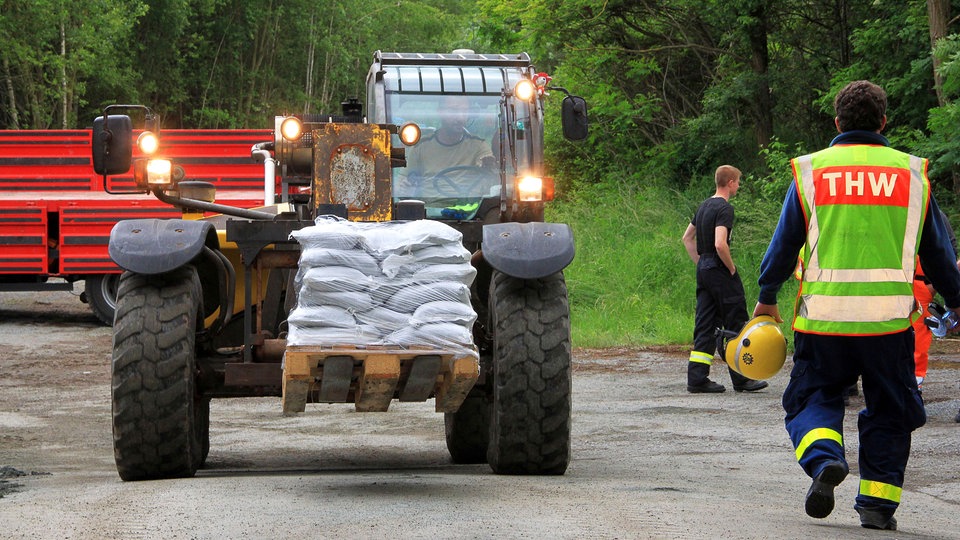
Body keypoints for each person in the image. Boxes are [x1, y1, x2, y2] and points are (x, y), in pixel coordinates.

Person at [753, 80, 960, 531]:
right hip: (888, 327)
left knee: (813, 396)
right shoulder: (911, 174)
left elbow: (785, 243)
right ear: (884, 121)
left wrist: (767, 296)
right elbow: (939, 253)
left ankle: (826, 458)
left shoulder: (812, 171)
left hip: (824, 322)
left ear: (836, 123)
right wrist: (957, 302)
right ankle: (877, 505)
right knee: (890, 408)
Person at [681, 165, 769, 394]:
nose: (738, 185)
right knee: (736, 320)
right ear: (730, 182)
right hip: (719, 269)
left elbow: (687, 238)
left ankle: (697, 378)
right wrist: (731, 268)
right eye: (738, 182)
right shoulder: (724, 208)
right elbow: (721, 243)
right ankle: (742, 379)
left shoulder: (703, 206)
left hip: (704, 269)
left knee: (705, 323)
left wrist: (700, 262)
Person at [404, 95, 495, 200]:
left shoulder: (479, 147)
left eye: (465, 111)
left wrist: (487, 164)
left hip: (470, 212)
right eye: (454, 111)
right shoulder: (421, 147)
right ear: (440, 112)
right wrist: (406, 188)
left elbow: (488, 164)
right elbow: (404, 182)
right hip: (430, 211)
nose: (460, 118)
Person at [912, 209, 959, 391]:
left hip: (921, 284)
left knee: (918, 341)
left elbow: (948, 251)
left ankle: (914, 387)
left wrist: (933, 286)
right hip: (894, 283)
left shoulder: (935, 214)